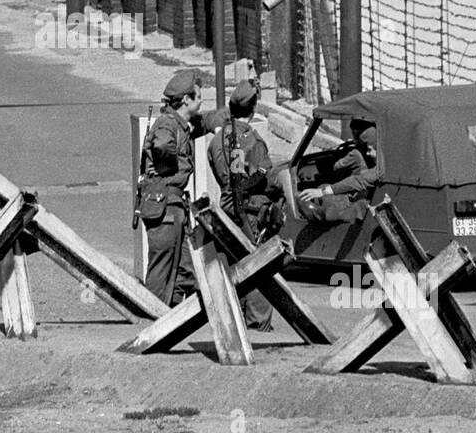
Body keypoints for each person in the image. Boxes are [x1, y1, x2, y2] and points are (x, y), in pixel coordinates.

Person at [140, 69, 222, 306]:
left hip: (173, 205)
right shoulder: (167, 124)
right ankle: (150, 319)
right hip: (164, 203)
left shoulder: (180, 123)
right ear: (186, 99)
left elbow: (206, 120)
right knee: (162, 267)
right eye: (198, 96)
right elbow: (163, 146)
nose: (201, 100)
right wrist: (170, 170)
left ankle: (171, 316)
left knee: (184, 269)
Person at [207, 79, 281, 331]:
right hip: (249, 210)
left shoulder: (217, 140)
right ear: (253, 108)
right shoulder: (252, 139)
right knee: (258, 267)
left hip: (226, 209)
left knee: (231, 266)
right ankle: (259, 325)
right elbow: (266, 173)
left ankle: (234, 321)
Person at [299, 117, 380, 226]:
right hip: (358, 192)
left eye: (370, 149)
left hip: (358, 195)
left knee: (357, 205)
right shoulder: (375, 158)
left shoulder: (359, 156)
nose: (368, 153)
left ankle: (325, 217)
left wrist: (323, 191)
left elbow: (356, 179)